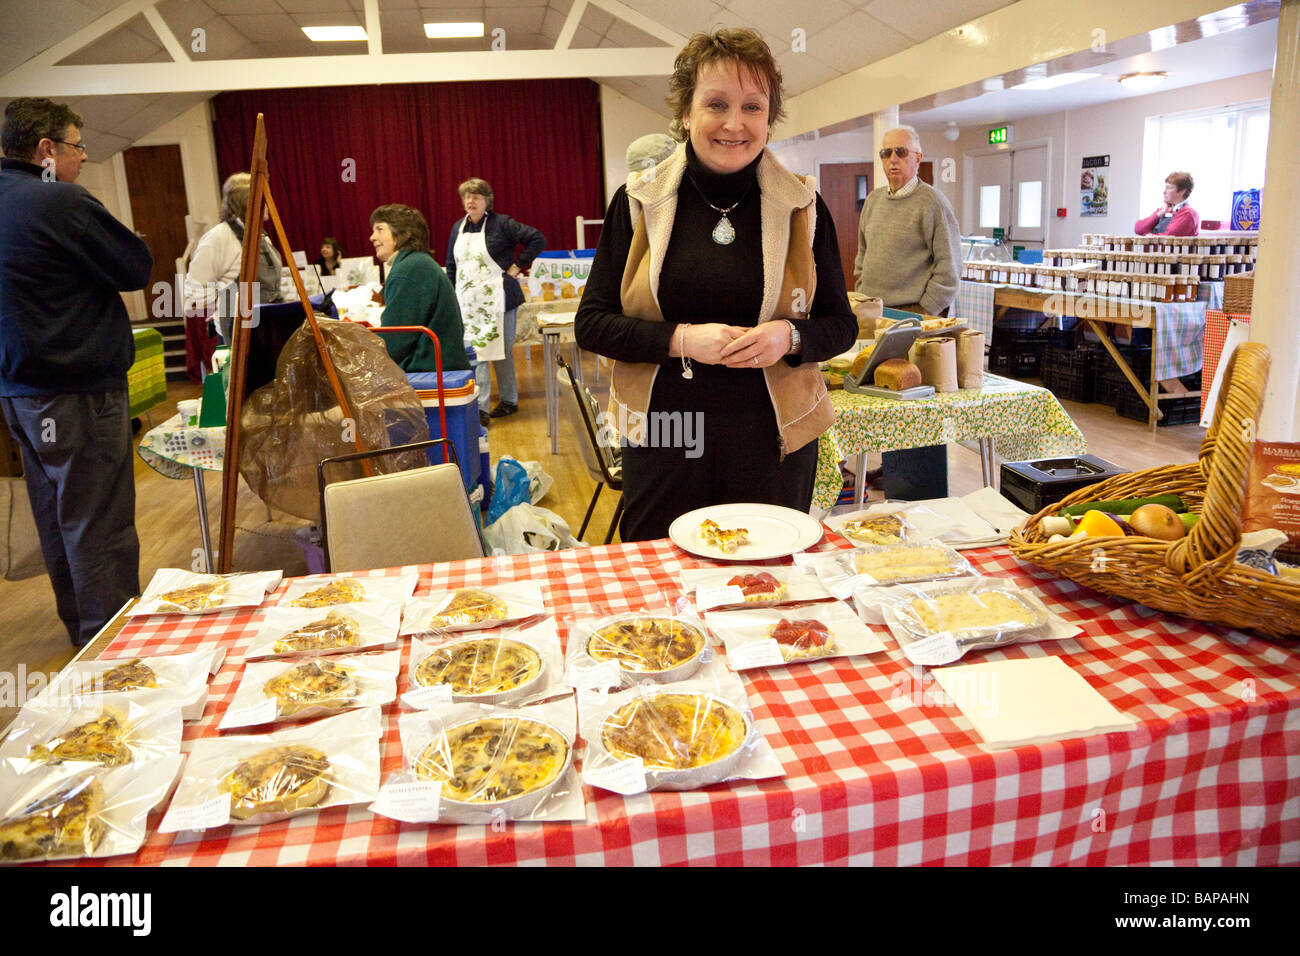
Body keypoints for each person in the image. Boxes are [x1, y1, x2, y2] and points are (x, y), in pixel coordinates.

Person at [576, 29, 857, 542]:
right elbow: (592, 326)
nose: (734, 124)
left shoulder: (803, 207)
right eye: (717, 104)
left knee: (766, 584)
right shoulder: (639, 203)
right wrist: (682, 340)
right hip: (663, 431)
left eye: (753, 107)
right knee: (660, 580)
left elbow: (841, 326)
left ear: (769, 118)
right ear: (686, 113)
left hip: (770, 436)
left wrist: (788, 338)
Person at [0, 97, 153, 646]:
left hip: (18, 393)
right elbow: (135, 266)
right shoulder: (60, 201)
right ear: (45, 150)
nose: (83, 158)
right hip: (78, 389)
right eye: (76, 146)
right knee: (98, 520)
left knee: (56, 514)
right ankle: (113, 644)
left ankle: (81, 630)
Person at [445, 179, 544, 428]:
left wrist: (516, 266)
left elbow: (536, 238)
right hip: (468, 302)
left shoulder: (502, 224)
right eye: (466, 197)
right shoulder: (457, 227)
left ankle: (508, 401)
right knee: (476, 353)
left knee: (501, 352)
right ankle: (480, 407)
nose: (471, 201)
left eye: (476, 196)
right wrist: (451, 296)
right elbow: (452, 266)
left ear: (487, 200)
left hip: (499, 298)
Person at [854, 125, 962, 317]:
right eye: (886, 153)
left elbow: (950, 268)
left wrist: (925, 309)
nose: (893, 159)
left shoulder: (934, 203)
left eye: (901, 152)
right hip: (870, 309)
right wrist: (861, 291)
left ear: (918, 158)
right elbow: (862, 254)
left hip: (912, 311)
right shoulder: (872, 200)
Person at [183, 171, 284, 344]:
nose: (269, 205)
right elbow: (195, 288)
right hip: (239, 331)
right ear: (248, 202)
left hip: (270, 324)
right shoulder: (219, 238)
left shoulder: (262, 236)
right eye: (263, 199)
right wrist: (221, 306)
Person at [370, 203, 469, 374]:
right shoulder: (416, 263)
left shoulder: (409, 269)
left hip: (429, 368)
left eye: (380, 229)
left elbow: (395, 340)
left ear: (404, 234)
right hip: (438, 363)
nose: (372, 237)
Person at [1135, 171, 1200, 236]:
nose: (1164, 191)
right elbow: (1138, 229)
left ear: (1182, 191)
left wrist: (1149, 236)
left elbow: (1169, 237)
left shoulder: (1189, 213)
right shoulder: (1165, 209)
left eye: (1169, 188)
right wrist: (1160, 213)